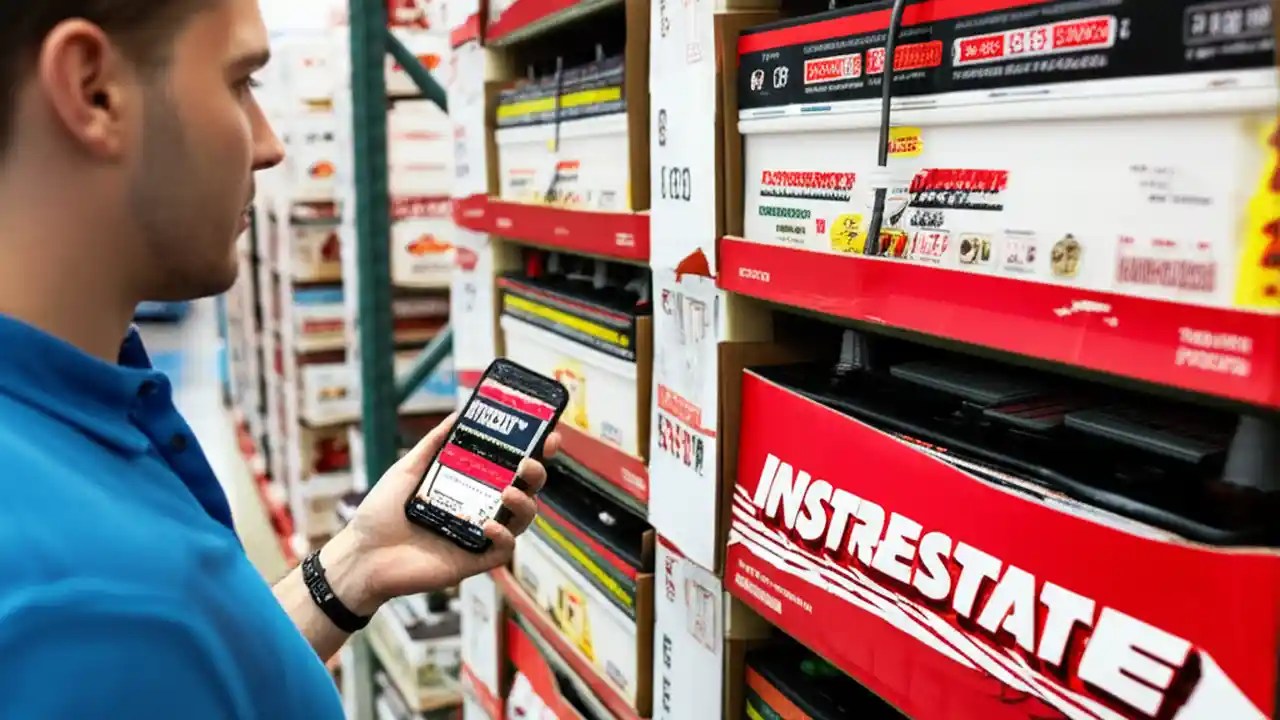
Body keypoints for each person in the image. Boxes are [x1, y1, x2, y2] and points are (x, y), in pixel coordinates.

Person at [0, 1, 554, 717]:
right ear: (93, 91)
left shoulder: (73, 425)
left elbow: (207, 682)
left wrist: (354, 565)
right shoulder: (94, 614)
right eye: (240, 83)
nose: (270, 145)